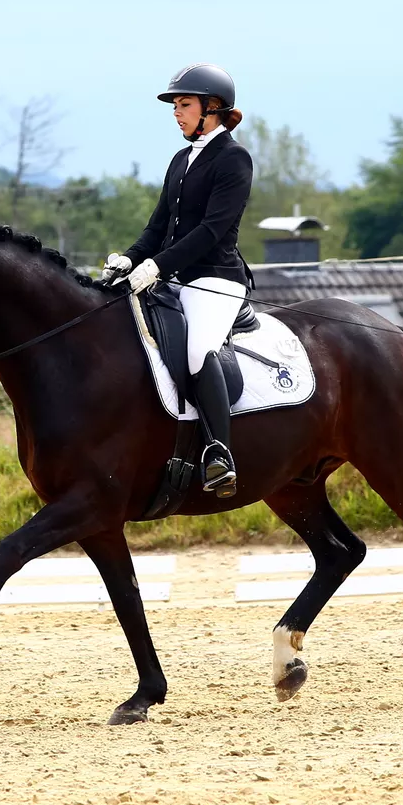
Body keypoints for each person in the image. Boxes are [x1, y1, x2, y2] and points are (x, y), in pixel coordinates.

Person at [102, 63, 254, 497]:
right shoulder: (181, 159)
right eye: (175, 106)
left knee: (197, 351)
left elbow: (212, 230)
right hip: (170, 278)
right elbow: (156, 228)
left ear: (212, 108)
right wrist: (128, 260)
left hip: (216, 282)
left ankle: (220, 453)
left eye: (184, 104)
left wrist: (157, 267)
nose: (176, 113)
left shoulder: (233, 158)